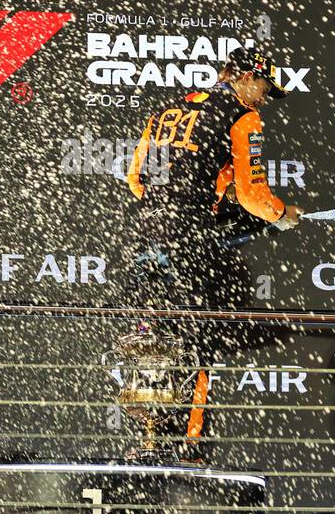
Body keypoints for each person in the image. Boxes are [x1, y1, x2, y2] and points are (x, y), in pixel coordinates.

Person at [124, 47, 302, 461]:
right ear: (241, 77)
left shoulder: (170, 109)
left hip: (146, 234)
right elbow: (253, 195)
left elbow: (135, 179)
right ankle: (190, 445)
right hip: (191, 236)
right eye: (261, 87)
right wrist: (281, 214)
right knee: (198, 340)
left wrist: (174, 200)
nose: (261, 98)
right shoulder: (244, 117)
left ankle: (148, 441)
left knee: (149, 338)